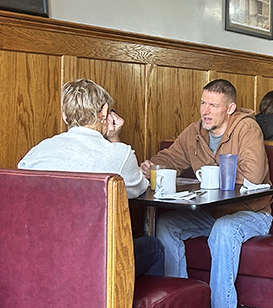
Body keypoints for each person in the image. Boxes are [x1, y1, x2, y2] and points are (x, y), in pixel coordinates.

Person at [141, 79, 272, 308]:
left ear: (230, 108)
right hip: (212, 212)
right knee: (166, 225)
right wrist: (151, 166)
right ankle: (181, 305)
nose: (205, 111)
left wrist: (212, 175)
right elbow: (171, 158)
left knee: (225, 229)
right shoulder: (194, 132)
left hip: (253, 213)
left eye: (213, 105)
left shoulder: (248, 129)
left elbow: (255, 175)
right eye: (203, 103)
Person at [18, 78, 164, 276]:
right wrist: (114, 139)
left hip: (40, 256)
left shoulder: (36, 153)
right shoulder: (118, 154)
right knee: (154, 247)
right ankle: (128, 307)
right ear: (104, 112)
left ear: (64, 116)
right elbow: (138, 188)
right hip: (95, 263)